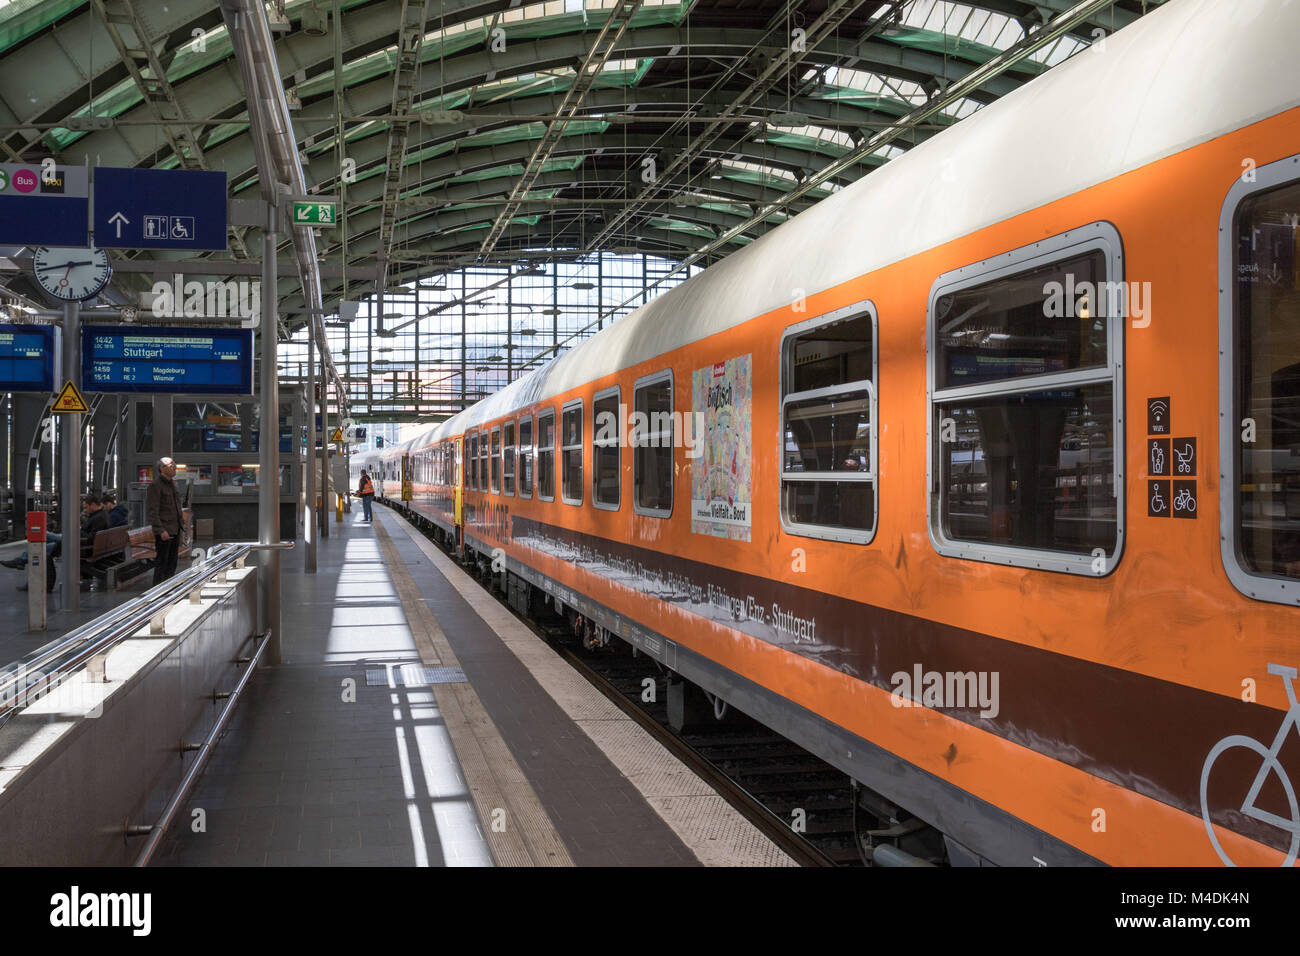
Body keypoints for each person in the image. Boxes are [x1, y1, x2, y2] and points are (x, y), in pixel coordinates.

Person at [146, 457, 184, 585]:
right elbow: (153, 510)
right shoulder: (155, 486)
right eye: (170, 465)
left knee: (172, 562)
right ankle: (157, 590)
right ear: (162, 468)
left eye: (174, 464)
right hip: (164, 531)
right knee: (162, 562)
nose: (174, 467)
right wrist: (160, 530)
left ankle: (169, 588)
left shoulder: (173, 484)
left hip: (175, 528)